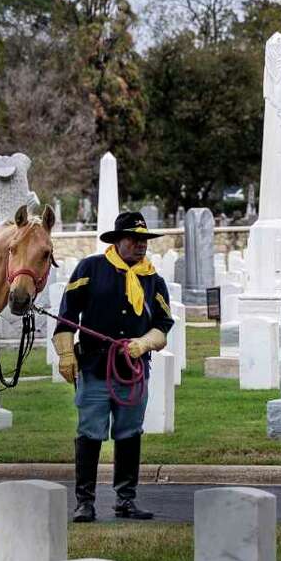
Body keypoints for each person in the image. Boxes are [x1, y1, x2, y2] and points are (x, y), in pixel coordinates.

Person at [53, 210, 173, 522]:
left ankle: (125, 500)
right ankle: (85, 502)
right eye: (134, 239)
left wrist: (144, 343)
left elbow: (163, 325)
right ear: (118, 240)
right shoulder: (90, 268)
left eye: (144, 240)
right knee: (90, 432)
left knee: (130, 432)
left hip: (132, 371)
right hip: (95, 367)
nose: (140, 244)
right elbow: (67, 316)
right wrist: (66, 355)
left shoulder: (154, 280)